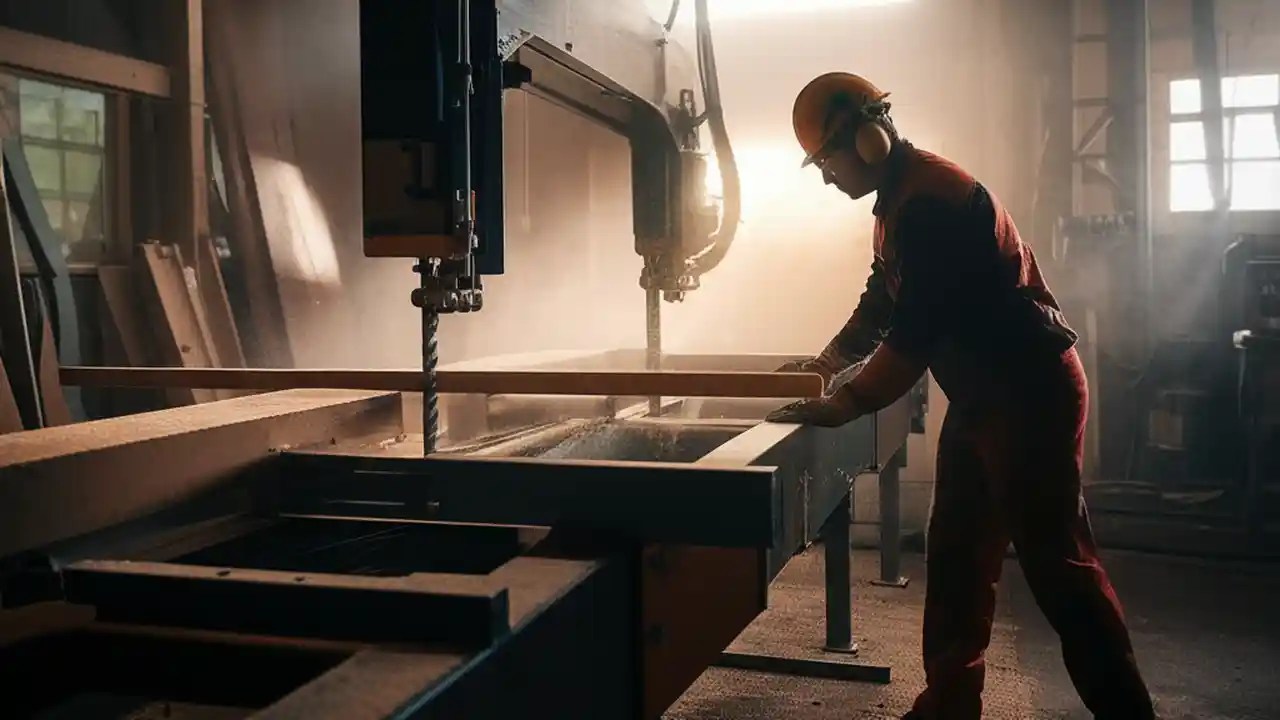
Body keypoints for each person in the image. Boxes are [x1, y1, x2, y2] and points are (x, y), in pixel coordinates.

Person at [766, 72, 1156, 720]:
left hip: (1029, 396)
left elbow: (916, 332)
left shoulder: (931, 202)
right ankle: (949, 708)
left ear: (865, 139)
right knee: (956, 561)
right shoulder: (900, 200)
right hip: (983, 397)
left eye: (826, 161)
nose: (828, 178)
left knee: (1059, 571)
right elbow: (882, 300)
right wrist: (826, 364)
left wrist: (848, 400)